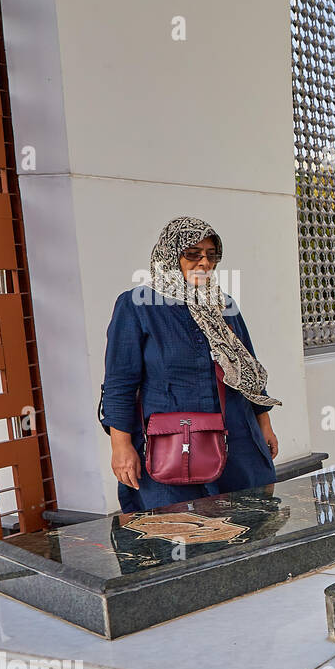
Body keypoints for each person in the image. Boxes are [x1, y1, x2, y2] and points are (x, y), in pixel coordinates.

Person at [99, 216, 282, 512]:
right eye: (193, 254)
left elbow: (248, 367)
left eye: (211, 255)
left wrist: (264, 424)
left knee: (249, 525)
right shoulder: (137, 306)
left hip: (236, 439)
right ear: (171, 254)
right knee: (180, 534)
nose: (204, 262)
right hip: (173, 444)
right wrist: (120, 446)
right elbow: (120, 382)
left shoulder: (223, 304)